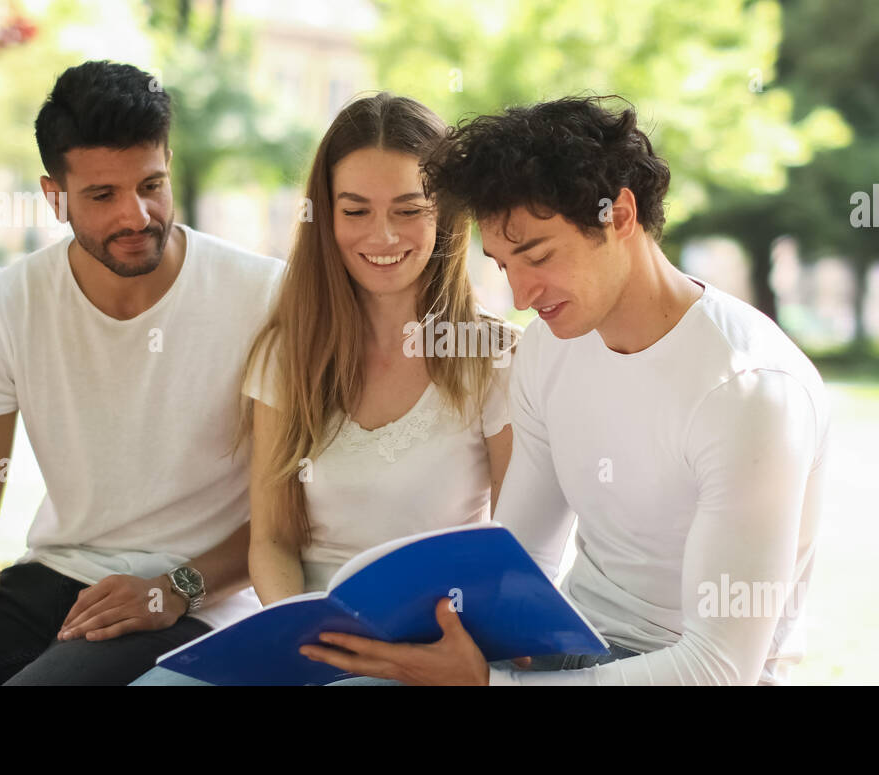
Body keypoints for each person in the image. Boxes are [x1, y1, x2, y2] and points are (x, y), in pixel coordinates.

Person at [301, 96, 831, 686]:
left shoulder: (749, 391)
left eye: (538, 256)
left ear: (620, 216)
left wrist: (489, 684)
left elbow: (719, 668)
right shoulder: (549, 350)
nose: (523, 296)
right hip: (567, 651)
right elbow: (523, 565)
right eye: (503, 266)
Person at [0, 60, 284, 686]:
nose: (136, 216)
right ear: (53, 195)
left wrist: (177, 587)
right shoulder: (5, 305)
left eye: (151, 184)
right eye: (102, 195)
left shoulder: (262, 296)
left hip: (198, 601)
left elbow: (293, 511)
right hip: (53, 579)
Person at [130, 92, 516, 686]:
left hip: (427, 649)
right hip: (303, 636)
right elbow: (274, 542)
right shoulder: (289, 353)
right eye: (355, 210)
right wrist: (294, 644)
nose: (382, 235)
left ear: (447, 215)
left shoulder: (495, 360)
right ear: (324, 216)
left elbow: (517, 556)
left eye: (409, 209)